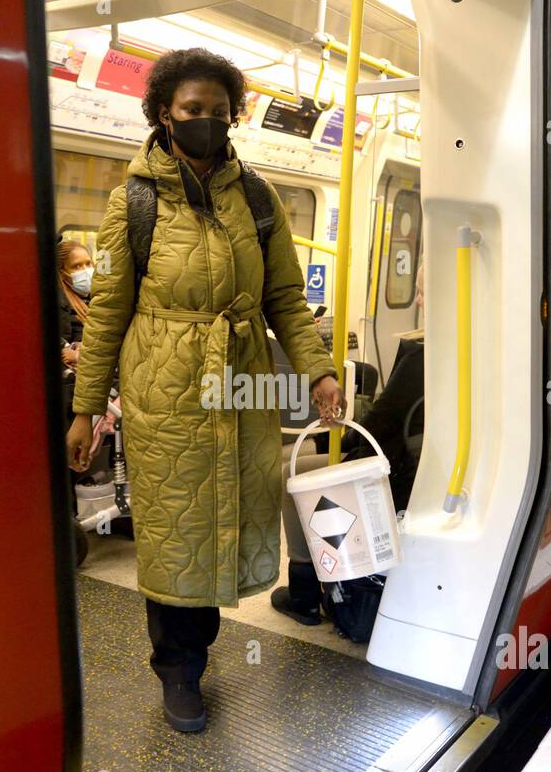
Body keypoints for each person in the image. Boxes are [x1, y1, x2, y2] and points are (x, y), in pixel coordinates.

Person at [65, 48, 344, 733]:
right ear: (164, 111)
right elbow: (105, 310)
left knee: (224, 519)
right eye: (193, 110)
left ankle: (199, 648)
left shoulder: (258, 196)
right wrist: (85, 408)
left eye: (220, 112)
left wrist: (320, 369)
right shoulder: (128, 202)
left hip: (243, 379)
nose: (207, 122)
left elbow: (283, 294)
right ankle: (178, 670)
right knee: (176, 529)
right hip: (168, 386)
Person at [273, 265, 425, 626]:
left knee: (290, 474)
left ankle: (304, 593)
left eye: (422, 292)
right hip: (415, 467)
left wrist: (338, 433)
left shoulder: (419, 358)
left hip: (394, 477)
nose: (418, 300)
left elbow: (375, 427)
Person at [56, 239, 93, 372]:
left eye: (88, 264)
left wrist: (80, 354)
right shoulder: (61, 306)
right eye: (77, 266)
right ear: (62, 273)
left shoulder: (97, 298)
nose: (86, 271)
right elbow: (66, 355)